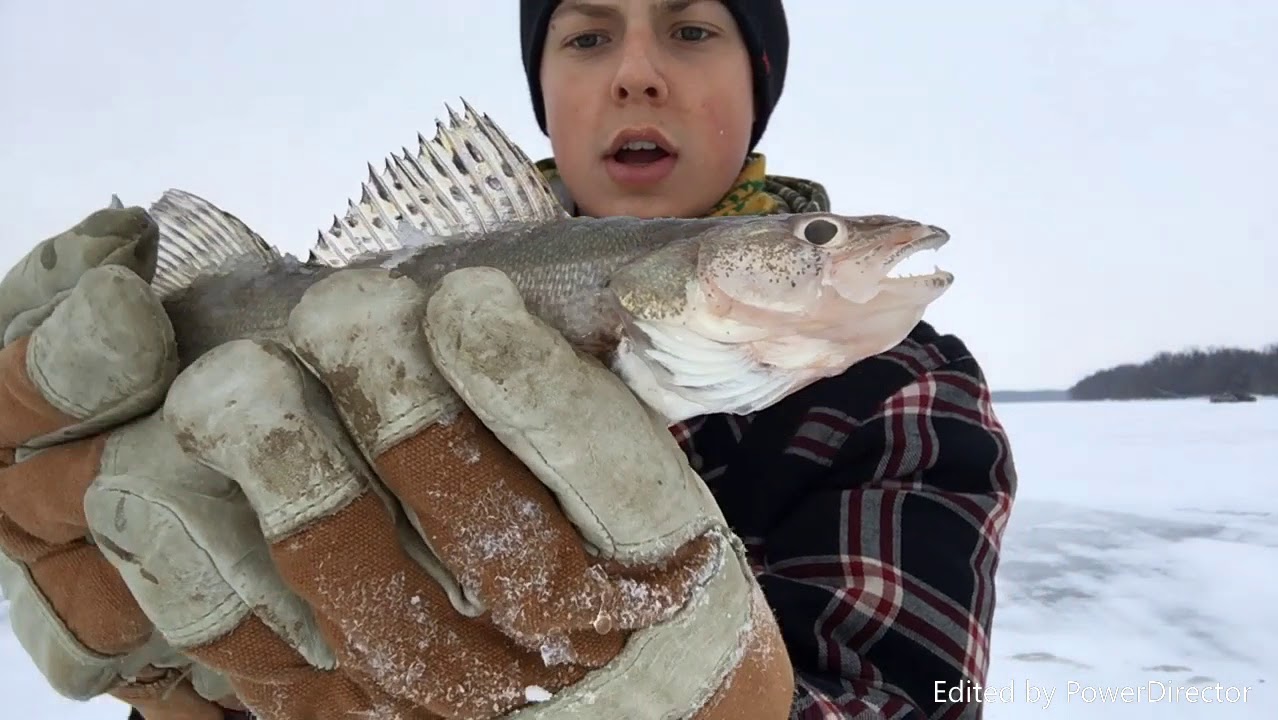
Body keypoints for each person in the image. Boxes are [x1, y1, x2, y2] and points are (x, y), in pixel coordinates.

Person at [0, 0, 1017, 718]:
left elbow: (920, 696)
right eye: (586, 35)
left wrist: (715, 702)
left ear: (759, 81)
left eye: (693, 28)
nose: (636, 71)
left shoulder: (907, 399)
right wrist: (198, 685)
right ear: (543, 88)